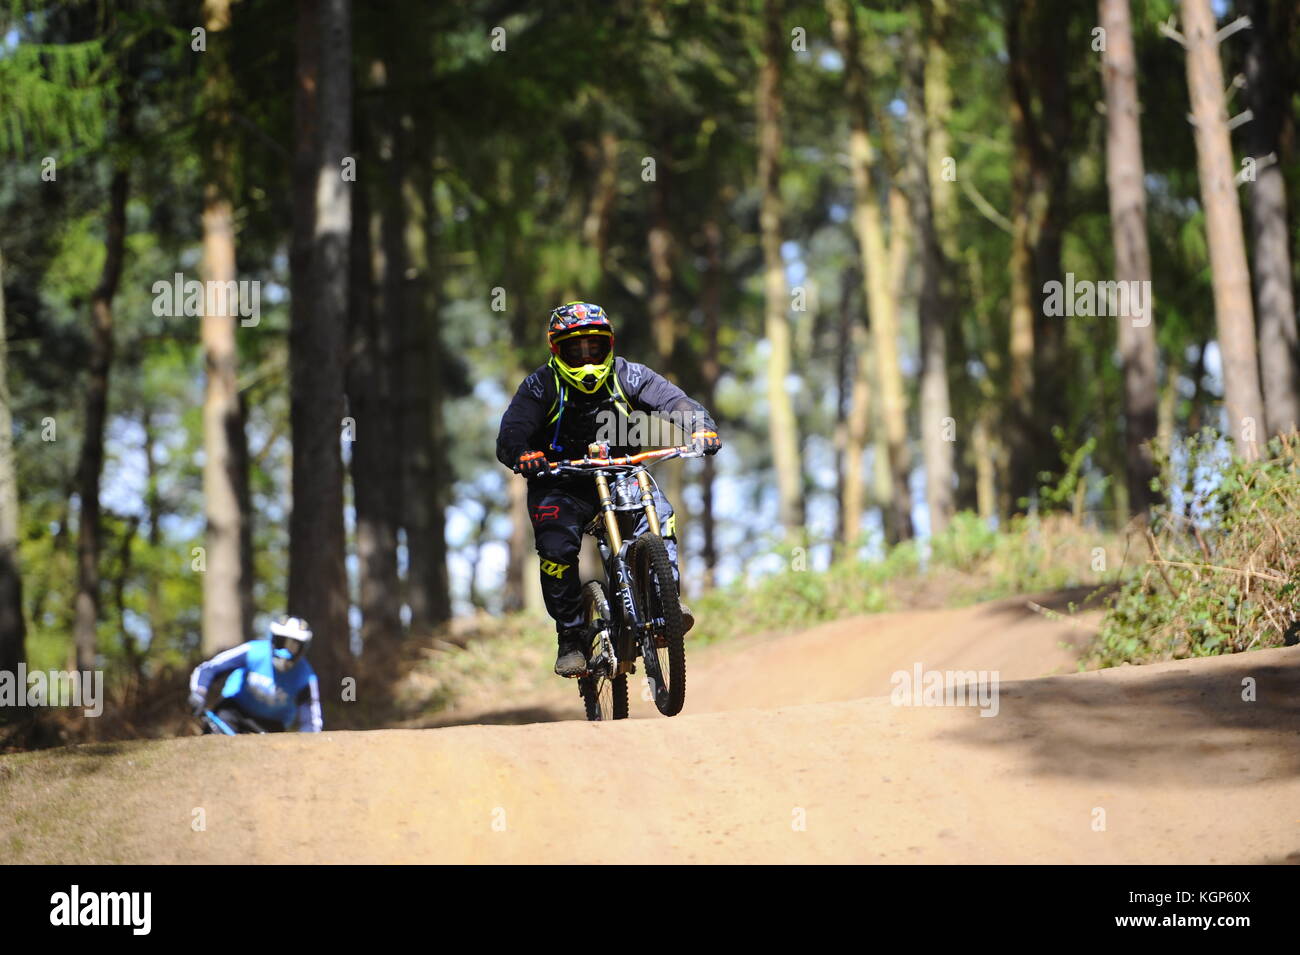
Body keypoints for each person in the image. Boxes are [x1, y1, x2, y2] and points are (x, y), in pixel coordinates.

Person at [496, 302, 722, 677]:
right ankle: (570, 636)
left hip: (620, 472)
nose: (586, 359)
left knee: (660, 516)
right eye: (575, 349)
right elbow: (512, 431)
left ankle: (663, 602)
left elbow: (673, 401)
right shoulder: (540, 385)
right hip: (559, 480)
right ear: (557, 350)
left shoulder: (630, 374)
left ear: (609, 345)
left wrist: (700, 427)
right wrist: (522, 454)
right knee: (556, 547)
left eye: (594, 348)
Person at [188, 615, 323, 733]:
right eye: (282, 642)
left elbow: (312, 721)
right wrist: (199, 693)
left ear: (303, 649)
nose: (286, 651)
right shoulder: (253, 651)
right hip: (232, 712)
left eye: (294, 646)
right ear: (273, 639)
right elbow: (208, 669)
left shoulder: (306, 677)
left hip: (270, 727)